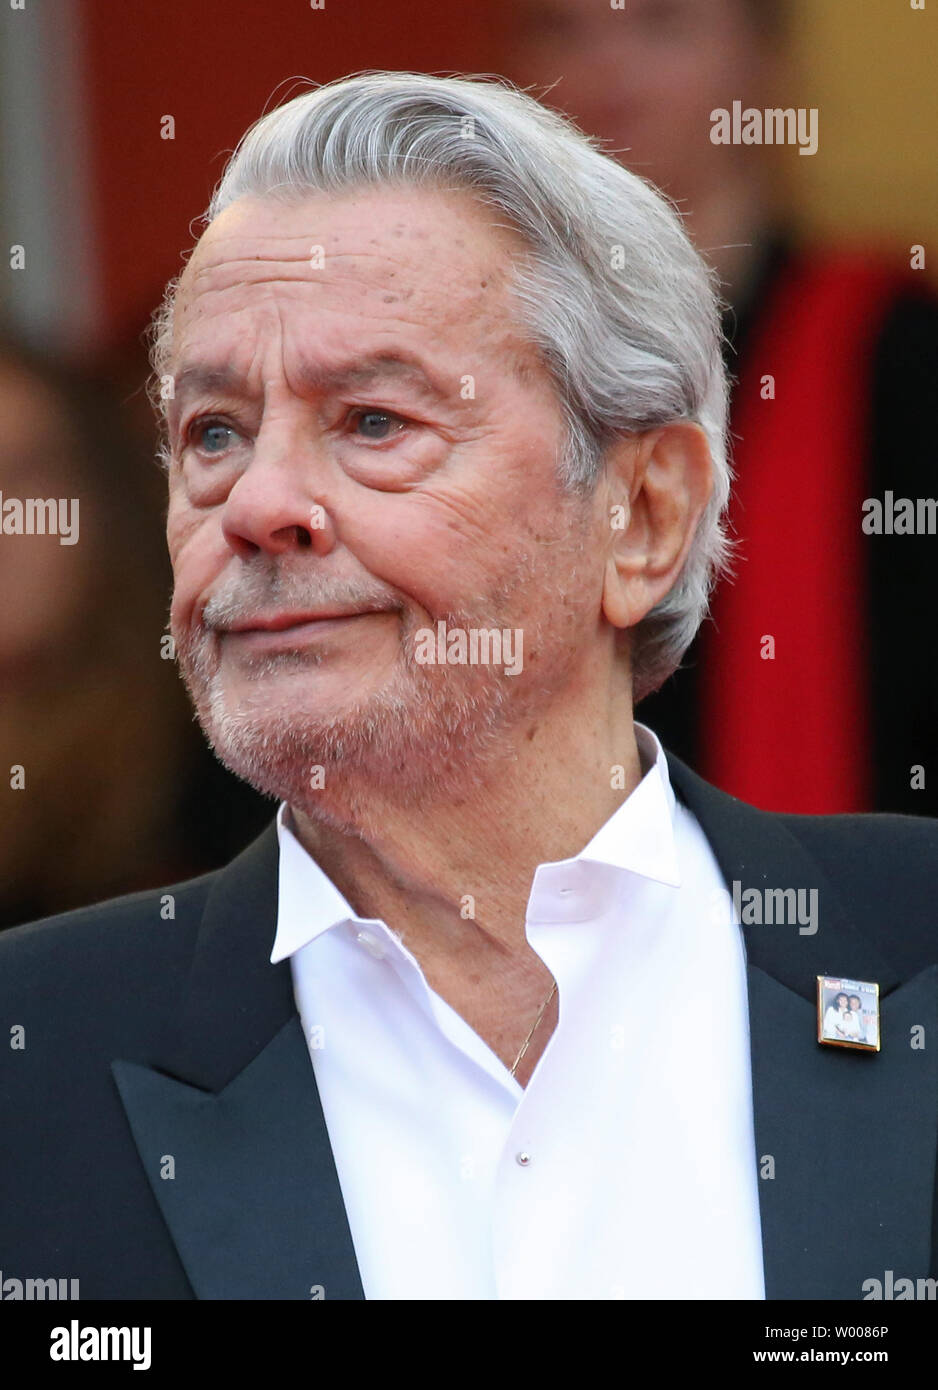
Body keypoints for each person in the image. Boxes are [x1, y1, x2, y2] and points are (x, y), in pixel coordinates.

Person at [1, 72, 936, 1302]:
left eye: (375, 422)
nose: (261, 505)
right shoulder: (33, 1058)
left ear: (643, 513)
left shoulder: (907, 949)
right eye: (214, 433)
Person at [501, 0, 938, 817]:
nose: (606, 66)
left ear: (762, 62)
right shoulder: (479, 363)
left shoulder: (892, 350)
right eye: (560, 27)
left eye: (660, 24)